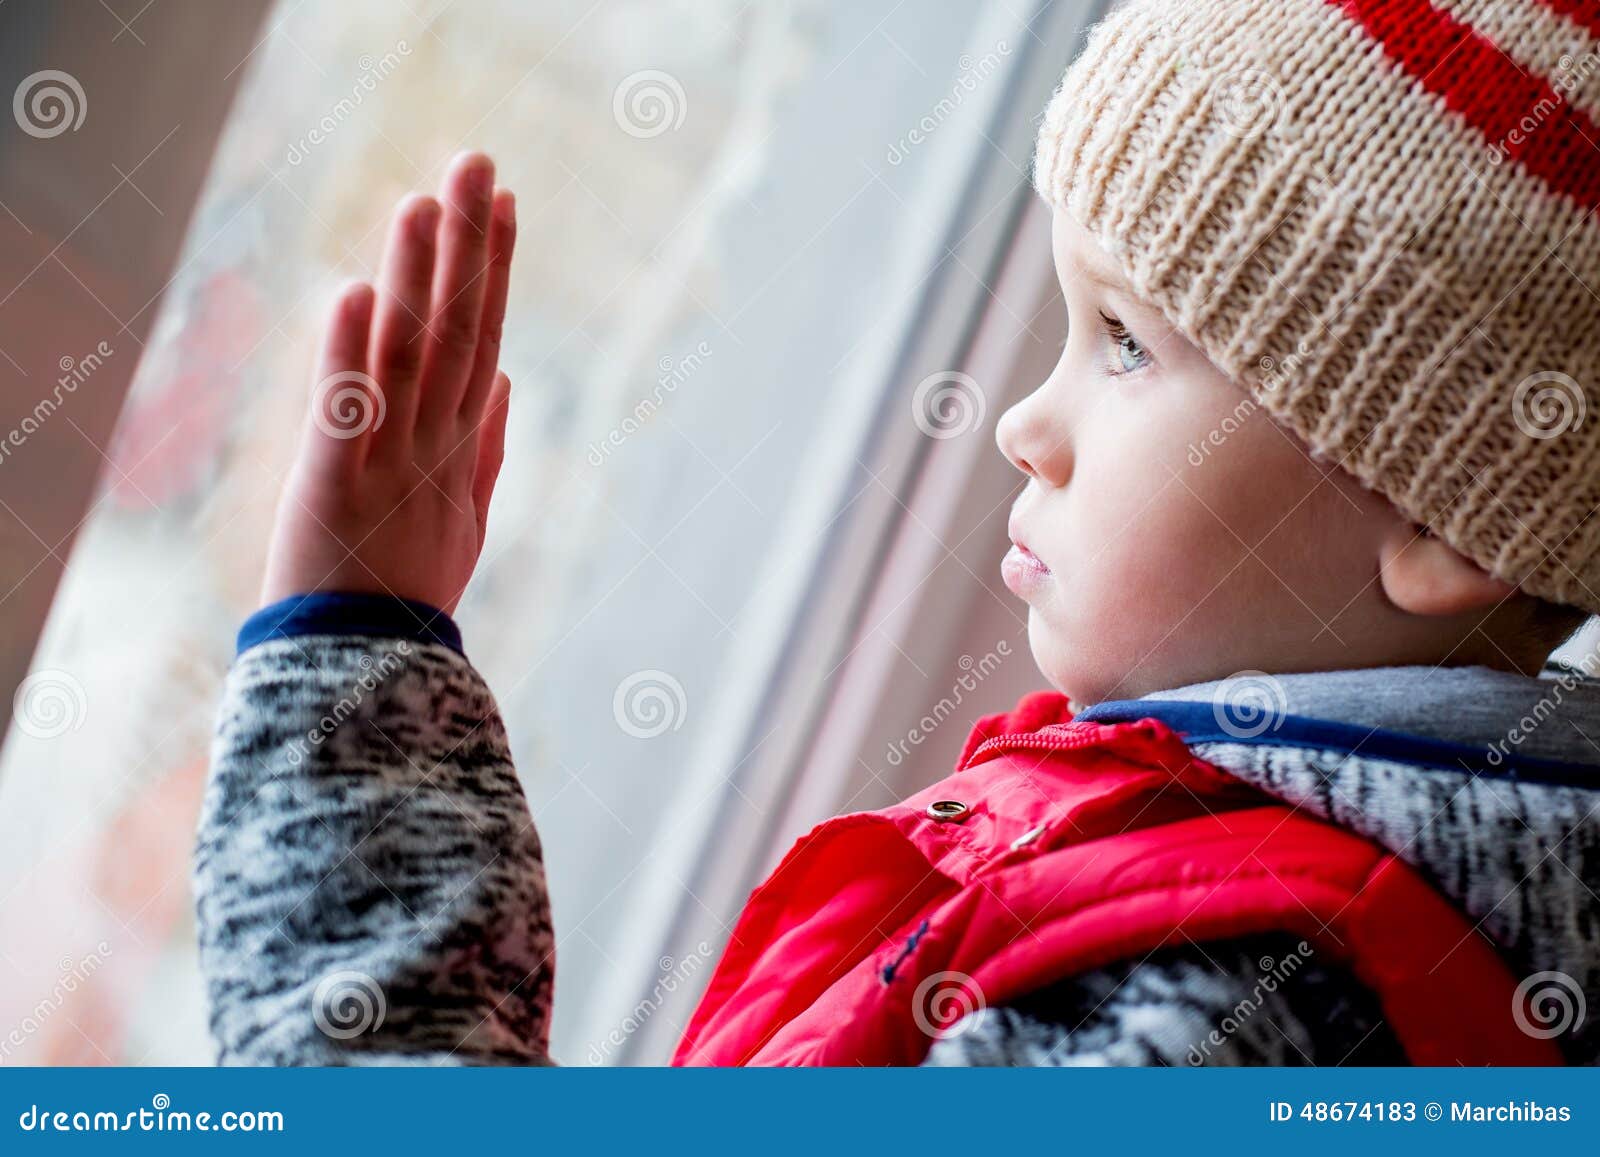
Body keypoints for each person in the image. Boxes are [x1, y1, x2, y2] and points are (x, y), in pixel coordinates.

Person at [194, 0, 1600, 1065]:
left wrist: (353, 671)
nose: (1022, 425)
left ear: (1439, 523)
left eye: (1123, 343)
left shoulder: (1199, 1019)